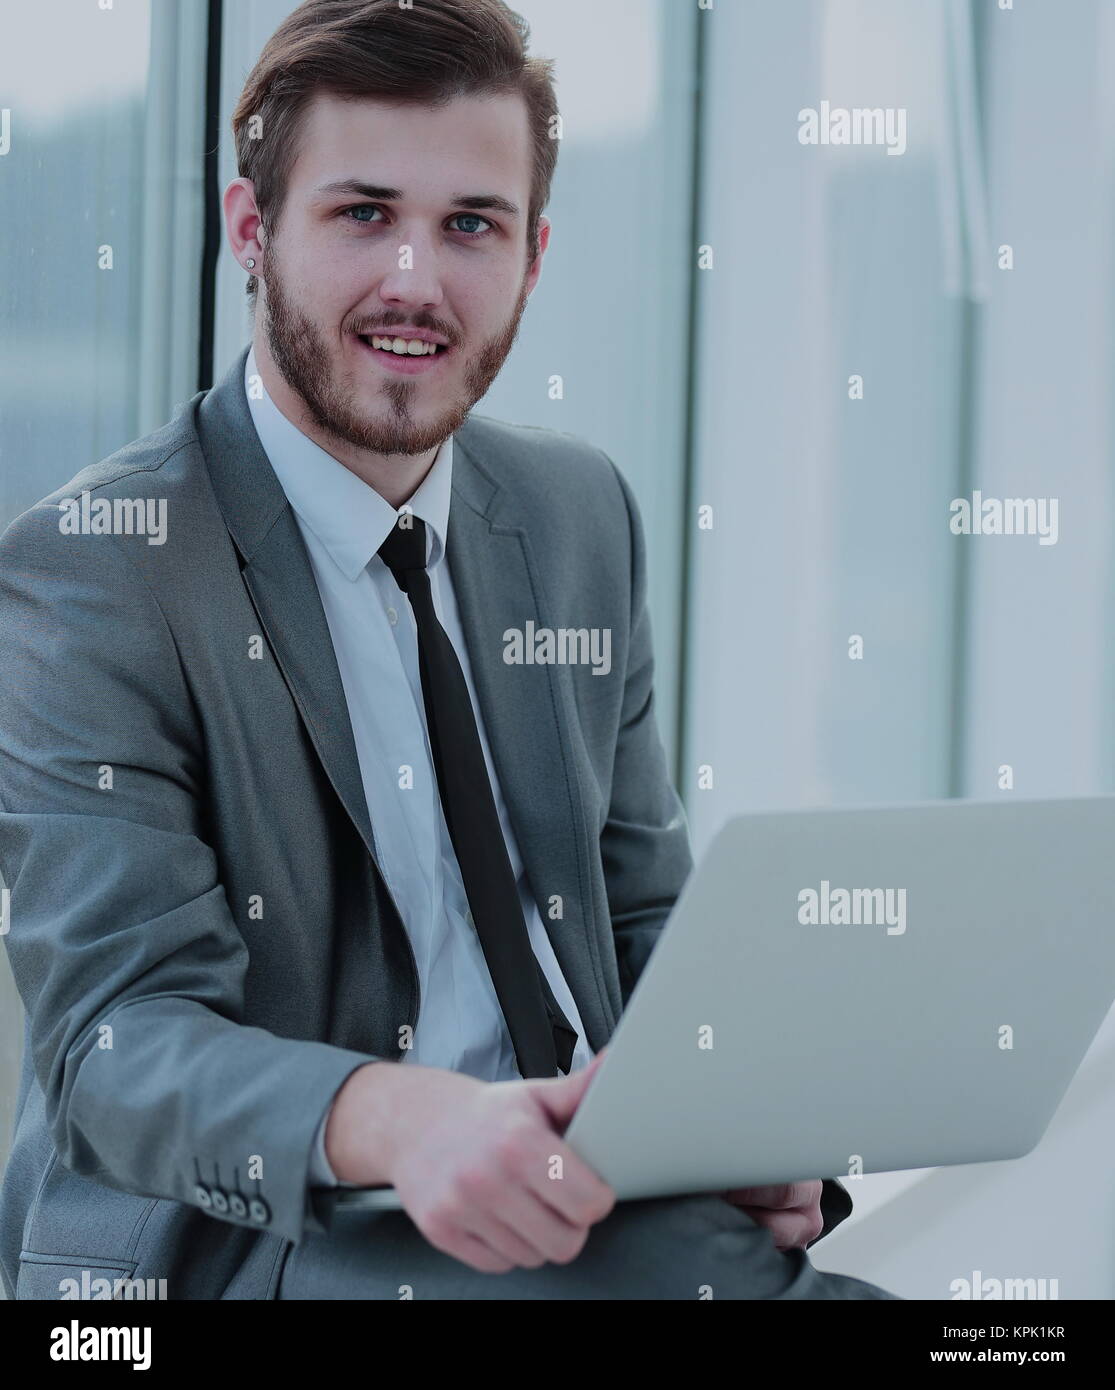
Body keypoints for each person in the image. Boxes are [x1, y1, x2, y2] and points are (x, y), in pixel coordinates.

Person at [0, 0, 897, 1300]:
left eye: (470, 225)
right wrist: (410, 1119)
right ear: (250, 233)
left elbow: (642, 915)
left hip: (577, 1196)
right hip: (259, 1239)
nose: (416, 276)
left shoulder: (577, 514)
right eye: (363, 213)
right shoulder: (96, 566)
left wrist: (739, 1119)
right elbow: (116, 1044)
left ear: (532, 257)